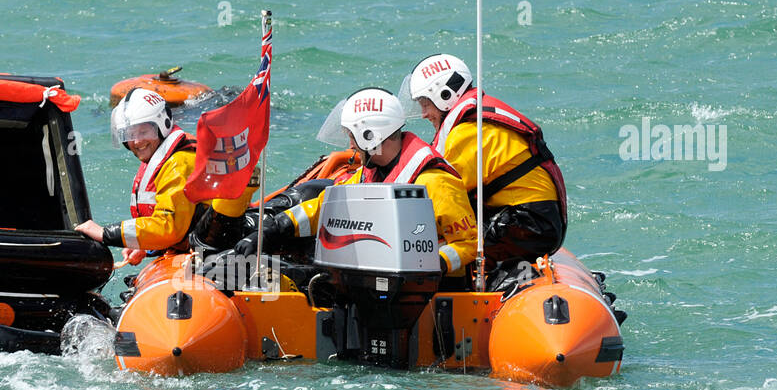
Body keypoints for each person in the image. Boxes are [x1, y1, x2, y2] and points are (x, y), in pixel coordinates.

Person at [240, 88, 477, 281]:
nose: (350, 145)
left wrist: (433, 266)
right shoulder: (370, 173)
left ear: (370, 137)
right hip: (379, 277)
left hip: (424, 288)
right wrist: (273, 228)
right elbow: (326, 207)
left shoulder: (434, 182)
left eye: (351, 136)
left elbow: (468, 243)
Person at [402, 54, 567, 271]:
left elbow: (442, 193)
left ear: (445, 95)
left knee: (440, 246)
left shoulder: (467, 133)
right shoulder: (474, 122)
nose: (424, 114)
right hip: (535, 219)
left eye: (425, 104)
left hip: (528, 225)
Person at [74, 88, 252, 264]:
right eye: (129, 134)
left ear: (163, 125)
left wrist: (106, 233)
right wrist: (146, 246)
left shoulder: (179, 163)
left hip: (218, 245)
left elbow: (169, 227)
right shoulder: (161, 157)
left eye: (144, 132)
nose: (137, 142)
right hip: (193, 240)